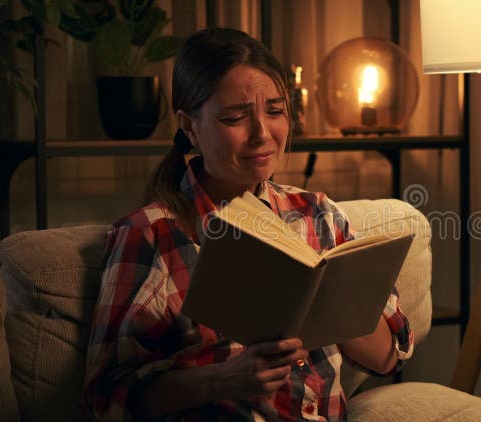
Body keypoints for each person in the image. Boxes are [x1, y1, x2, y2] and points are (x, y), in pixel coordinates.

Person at [81, 27, 414, 421]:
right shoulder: (150, 234)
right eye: (235, 117)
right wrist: (224, 379)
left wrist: (328, 305)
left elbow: (387, 356)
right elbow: (107, 398)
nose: (262, 135)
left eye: (275, 111)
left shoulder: (318, 214)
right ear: (190, 127)